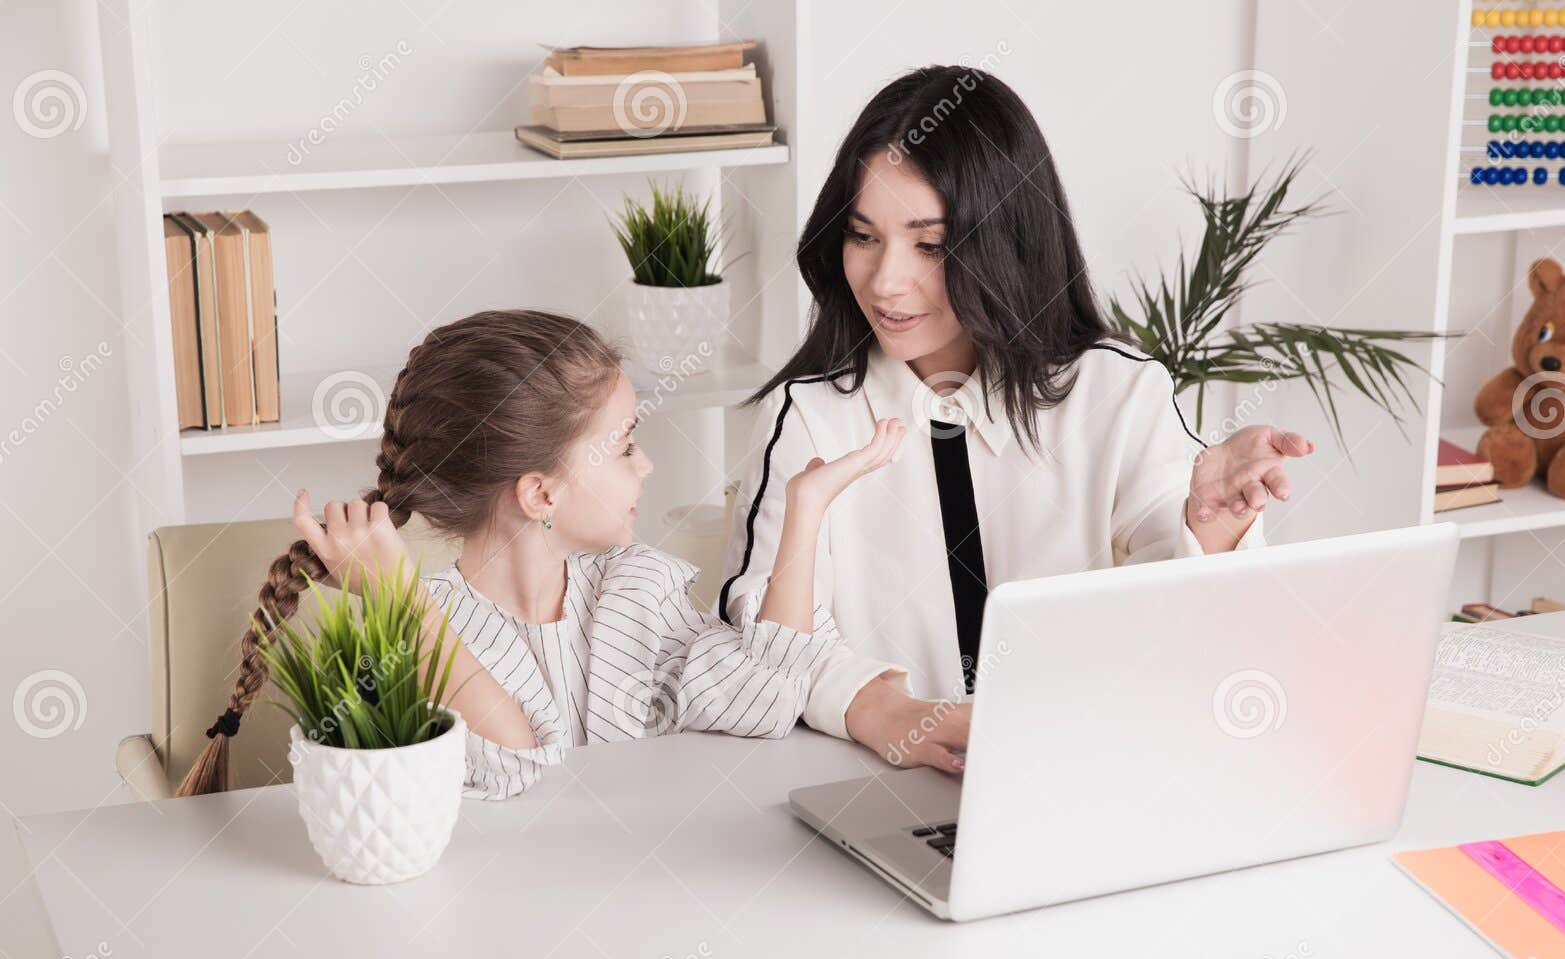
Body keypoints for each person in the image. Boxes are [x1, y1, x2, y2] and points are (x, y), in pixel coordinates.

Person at [719, 66, 1314, 773]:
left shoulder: (1118, 392)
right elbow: (766, 636)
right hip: (875, 786)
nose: (884, 281)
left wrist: (1208, 522)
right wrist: (878, 709)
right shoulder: (810, 416)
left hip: (1093, 775)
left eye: (929, 244)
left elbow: (1176, 620)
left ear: (1008, 241)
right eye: (863, 235)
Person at [178, 310, 904, 800]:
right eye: (623, 446)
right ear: (539, 493)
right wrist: (400, 599)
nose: (644, 465)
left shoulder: (636, 590)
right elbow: (512, 761)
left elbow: (769, 693)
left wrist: (806, 507)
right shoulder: (414, 633)